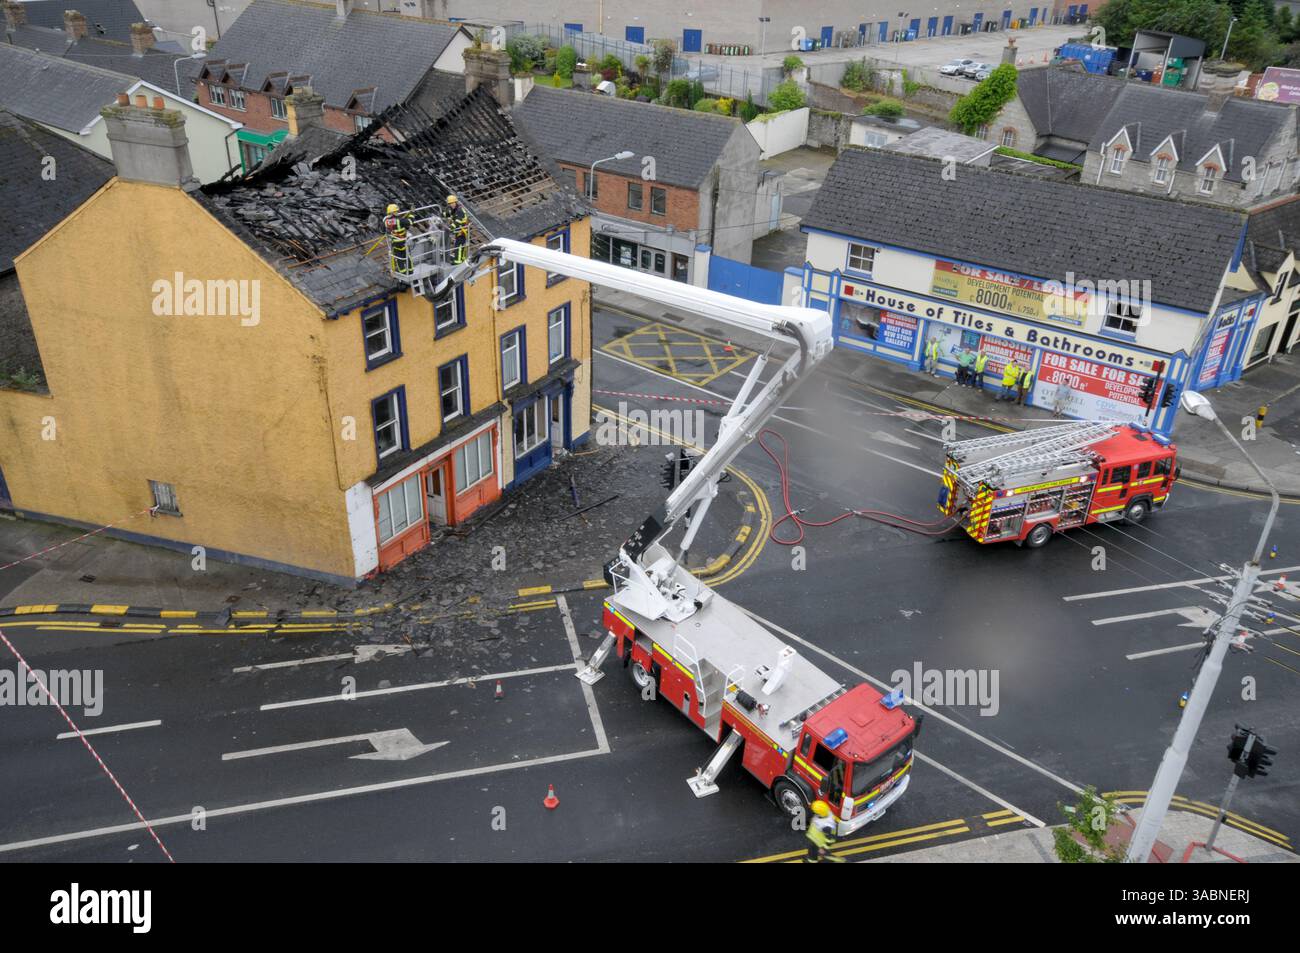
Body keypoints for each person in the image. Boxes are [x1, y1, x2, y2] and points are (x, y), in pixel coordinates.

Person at [383, 203, 414, 275]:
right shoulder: (400, 220)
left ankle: (402, 272)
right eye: (396, 211)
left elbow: (384, 222)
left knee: (398, 257)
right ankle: (410, 271)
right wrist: (412, 213)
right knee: (407, 256)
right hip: (403, 242)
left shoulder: (386, 221)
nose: (398, 212)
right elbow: (410, 222)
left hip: (395, 242)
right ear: (393, 212)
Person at [446, 194, 469, 265]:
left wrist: (450, 228)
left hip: (462, 231)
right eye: (450, 203)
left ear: (456, 202)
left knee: (458, 246)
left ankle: (458, 261)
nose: (451, 205)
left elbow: (458, 221)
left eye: (452, 203)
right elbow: (451, 216)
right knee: (460, 245)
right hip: (459, 230)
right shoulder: (455, 209)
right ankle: (461, 259)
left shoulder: (459, 210)